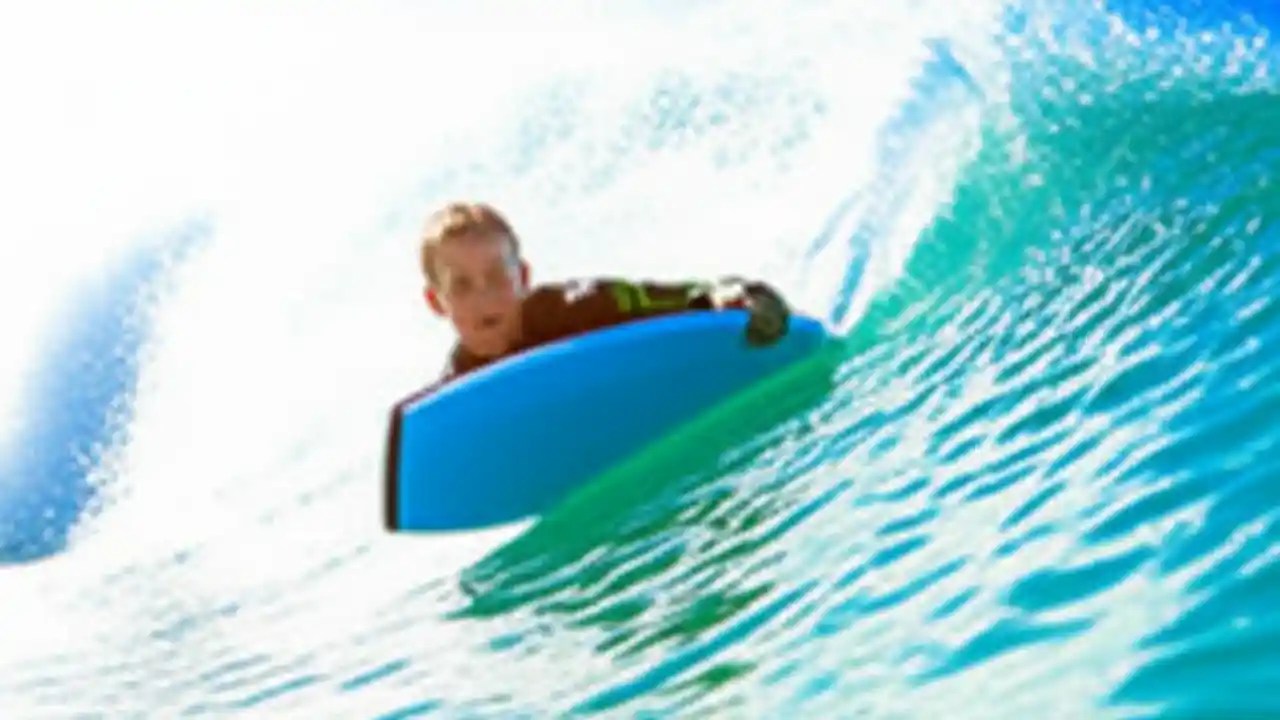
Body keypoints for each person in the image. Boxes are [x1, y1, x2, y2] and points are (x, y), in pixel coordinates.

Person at [417, 201, 792, 392]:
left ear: (525, 279)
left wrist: (738, 297)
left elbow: (694, 296)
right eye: (462, 286)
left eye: (498, 277)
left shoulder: (582, 306)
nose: (485, 297)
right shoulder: (459, 390)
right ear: (437, 303)